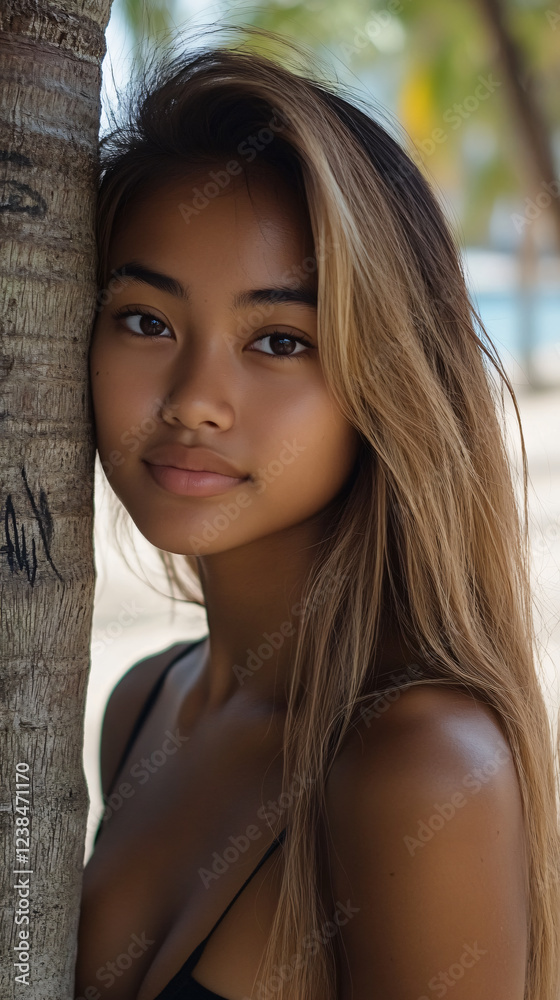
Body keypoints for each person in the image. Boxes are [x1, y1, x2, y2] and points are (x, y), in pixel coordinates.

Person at [75, 23, 560, 1000]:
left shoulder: (417, 766)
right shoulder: (143, 706)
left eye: (280, 341)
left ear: (382, 380)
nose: (194, 398)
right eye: (145, 320)